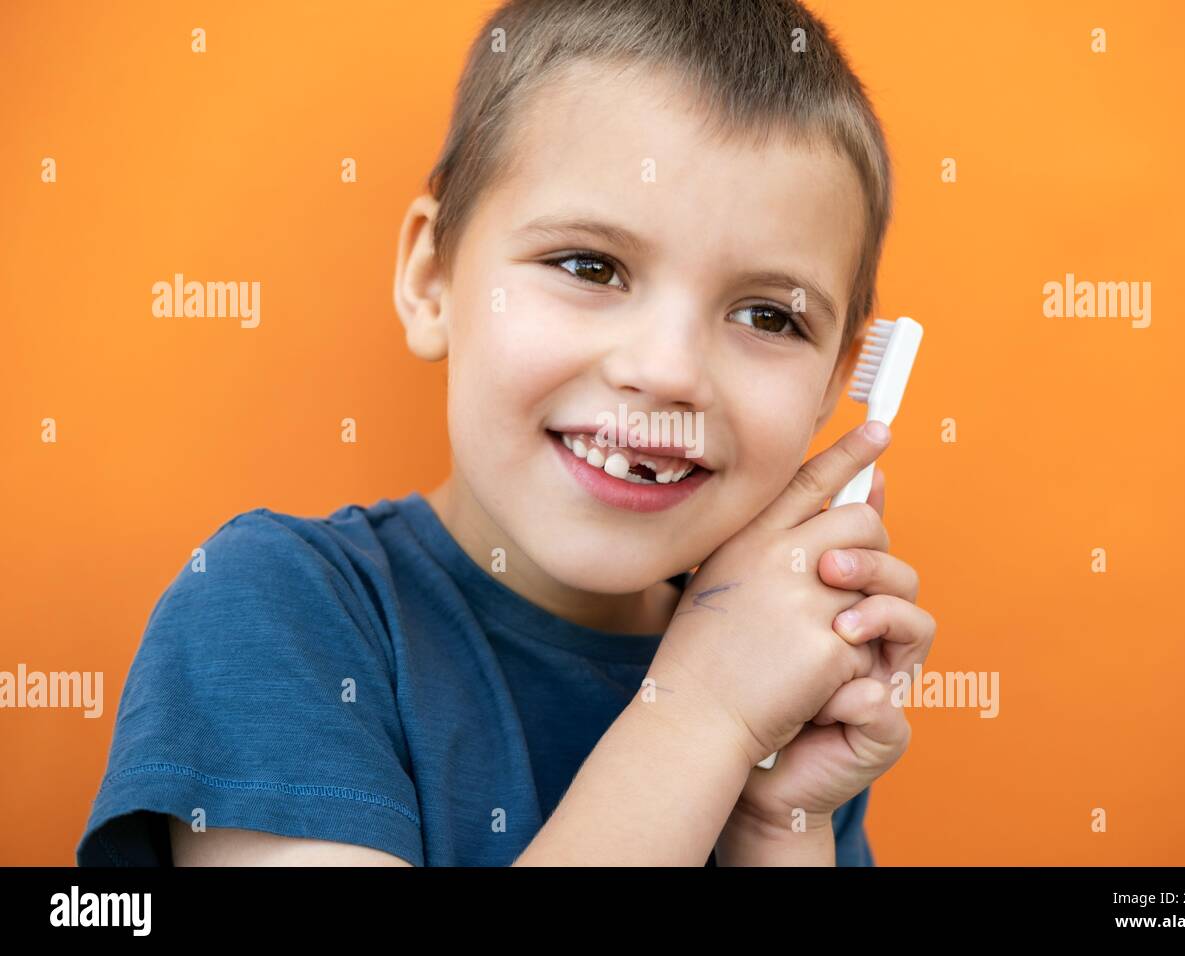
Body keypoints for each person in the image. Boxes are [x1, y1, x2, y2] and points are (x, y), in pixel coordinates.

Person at [77, 0, 935, 866]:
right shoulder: (272, 608)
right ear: (432, 279)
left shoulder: (775, 673)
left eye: (766, 316)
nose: (671, 371)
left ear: (835, 381)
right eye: (590, 266)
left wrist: (775, 820)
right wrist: (702, 713)